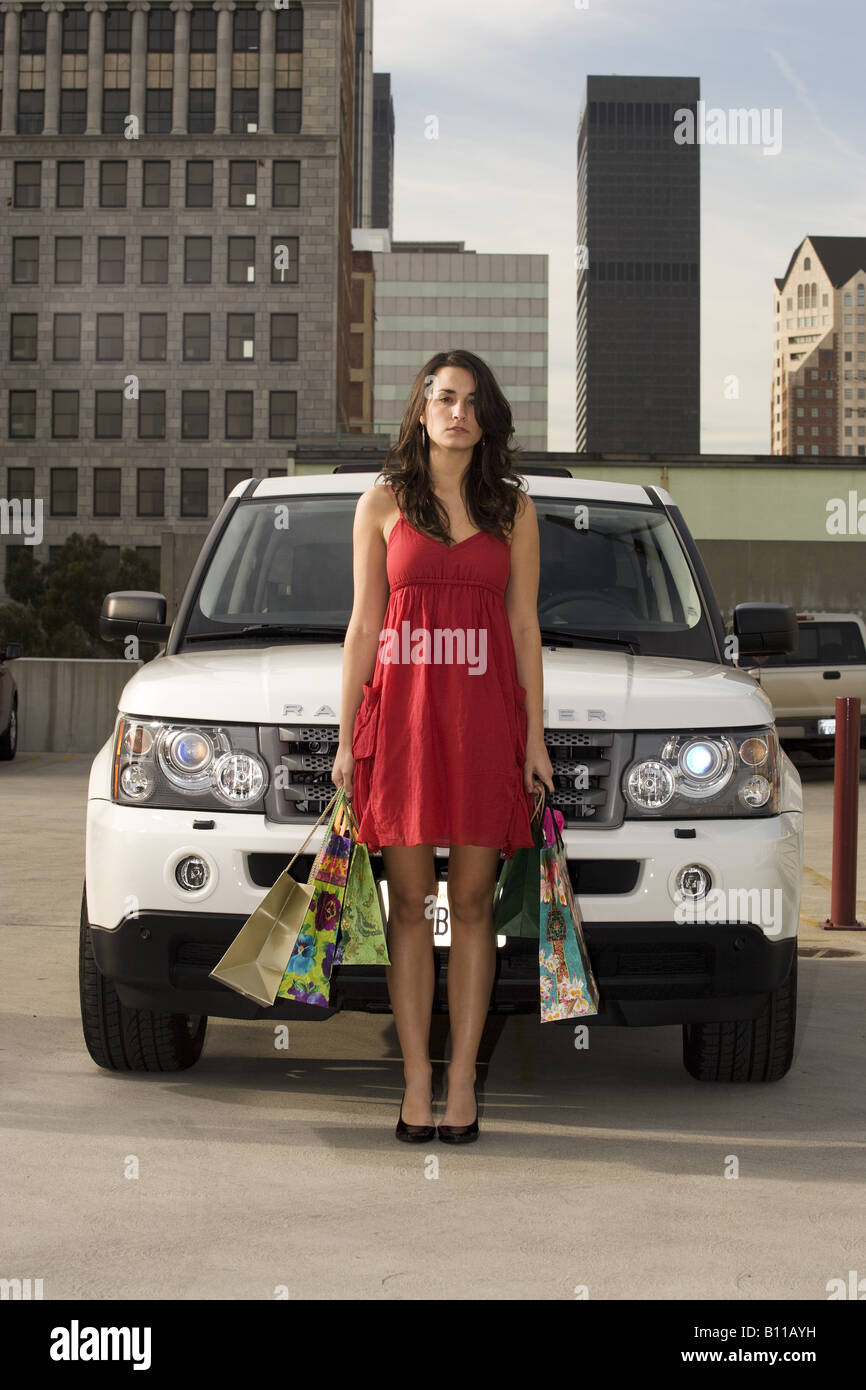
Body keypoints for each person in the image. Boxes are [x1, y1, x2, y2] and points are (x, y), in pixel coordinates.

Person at [331, 349, 554, 1143]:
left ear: (486, 416)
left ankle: (463, 1081)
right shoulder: (382, 504)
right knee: (411, 911)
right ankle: (416, 1080)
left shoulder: (514, 510)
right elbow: (363, 625)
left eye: (471, 401)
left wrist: (534, 736)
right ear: (420, 410)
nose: (458, 412)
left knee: (471, 907)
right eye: (444, 398)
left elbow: (525, 627)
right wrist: (344, 734)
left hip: (485, 723)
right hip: (401, 726)